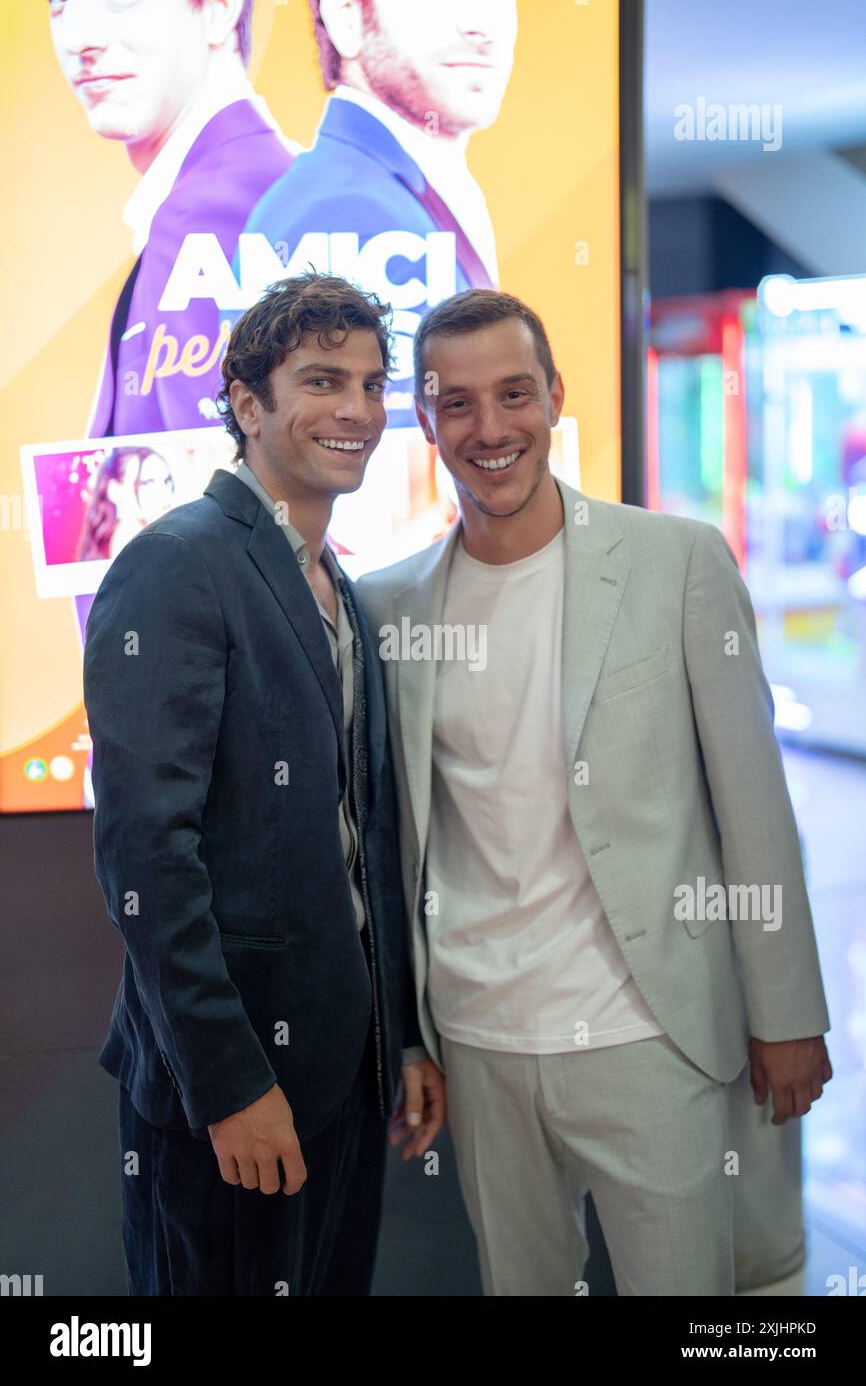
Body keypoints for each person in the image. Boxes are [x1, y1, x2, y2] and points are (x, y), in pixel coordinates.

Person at [356, 287, 833, 1297]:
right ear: (425, 420)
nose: (490, 429)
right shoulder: (388, 605)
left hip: (646, 1026)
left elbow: (754, 807)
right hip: (479, 1039)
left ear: (555, 399)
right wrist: (409, 1033)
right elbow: (393, 842)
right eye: (457, 403)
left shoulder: (675, 562)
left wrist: (787, 1011)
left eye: (514, 394)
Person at [83, 272, 445, 1297]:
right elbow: (147, 854)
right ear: (247, 403)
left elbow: (359, 836)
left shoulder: (339, 583)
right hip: (231, 1093)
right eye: (321, 381)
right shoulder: (176, 566)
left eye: (373, 385)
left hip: (342, 1076)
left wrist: (401, 1034)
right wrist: (230, 1080)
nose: (358, 411)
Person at [242, 0, 517, 425]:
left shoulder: (404, 187)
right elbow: (382, 462)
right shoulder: (348, 210)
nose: (481, 27)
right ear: (347, 16)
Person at [47, 0, 296, 436]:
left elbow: (223, 480)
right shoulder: (226, 186)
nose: (79, 39)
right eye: (59, 1)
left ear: (218, 10)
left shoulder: (209, 207)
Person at [76, 446, 175, 560]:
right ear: (115, 491)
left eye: (167, 481)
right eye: (147, 483)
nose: (164, 492)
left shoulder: (139, 534)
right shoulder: (130, 533)